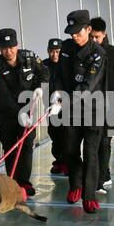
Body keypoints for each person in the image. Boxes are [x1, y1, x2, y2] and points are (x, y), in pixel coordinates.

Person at [54, 10, 108, 213]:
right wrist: (57, 92)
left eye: (78, 32)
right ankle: (75, 186)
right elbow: (58, 73)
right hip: (70, 112)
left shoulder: (98, 53)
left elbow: (88, 84)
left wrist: (66, 100)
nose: (74, 36)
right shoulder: (66, 47)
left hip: (92, 110)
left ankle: (89, 196)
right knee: (70, 151)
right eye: (71, 32)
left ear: (88, 29)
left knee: (91, 153)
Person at [0, 28, 49, 196]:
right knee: (10, 146)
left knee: (27, 144)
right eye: (4, 48)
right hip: (7, 112)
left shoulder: (29, 57)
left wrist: (40, 87)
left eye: (11, 47)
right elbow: (3, 96)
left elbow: (44, 71)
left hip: (28, 108)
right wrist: (19, 112)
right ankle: (12, 183)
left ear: (17, 45)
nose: (8, 52)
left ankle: (24, 183)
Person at [90, 17, 114, 194]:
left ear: (104, 34)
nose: (94, 40)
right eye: (91, 36)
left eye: (97, 37)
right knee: (93, 142)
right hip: (91, 106)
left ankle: (102, 176)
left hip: (112, 105)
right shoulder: (86, 53)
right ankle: (101, 175)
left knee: (105, 142)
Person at [43, 38, 68, 175]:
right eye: (52, 51)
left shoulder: (67, 65)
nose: (54, 55)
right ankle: (58, 162)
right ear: (48, 51)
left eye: (57, 51)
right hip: (50, 108)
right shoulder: (44, 65)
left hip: (66, 107)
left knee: (67, 136)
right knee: (54, 135)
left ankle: (68, 163)